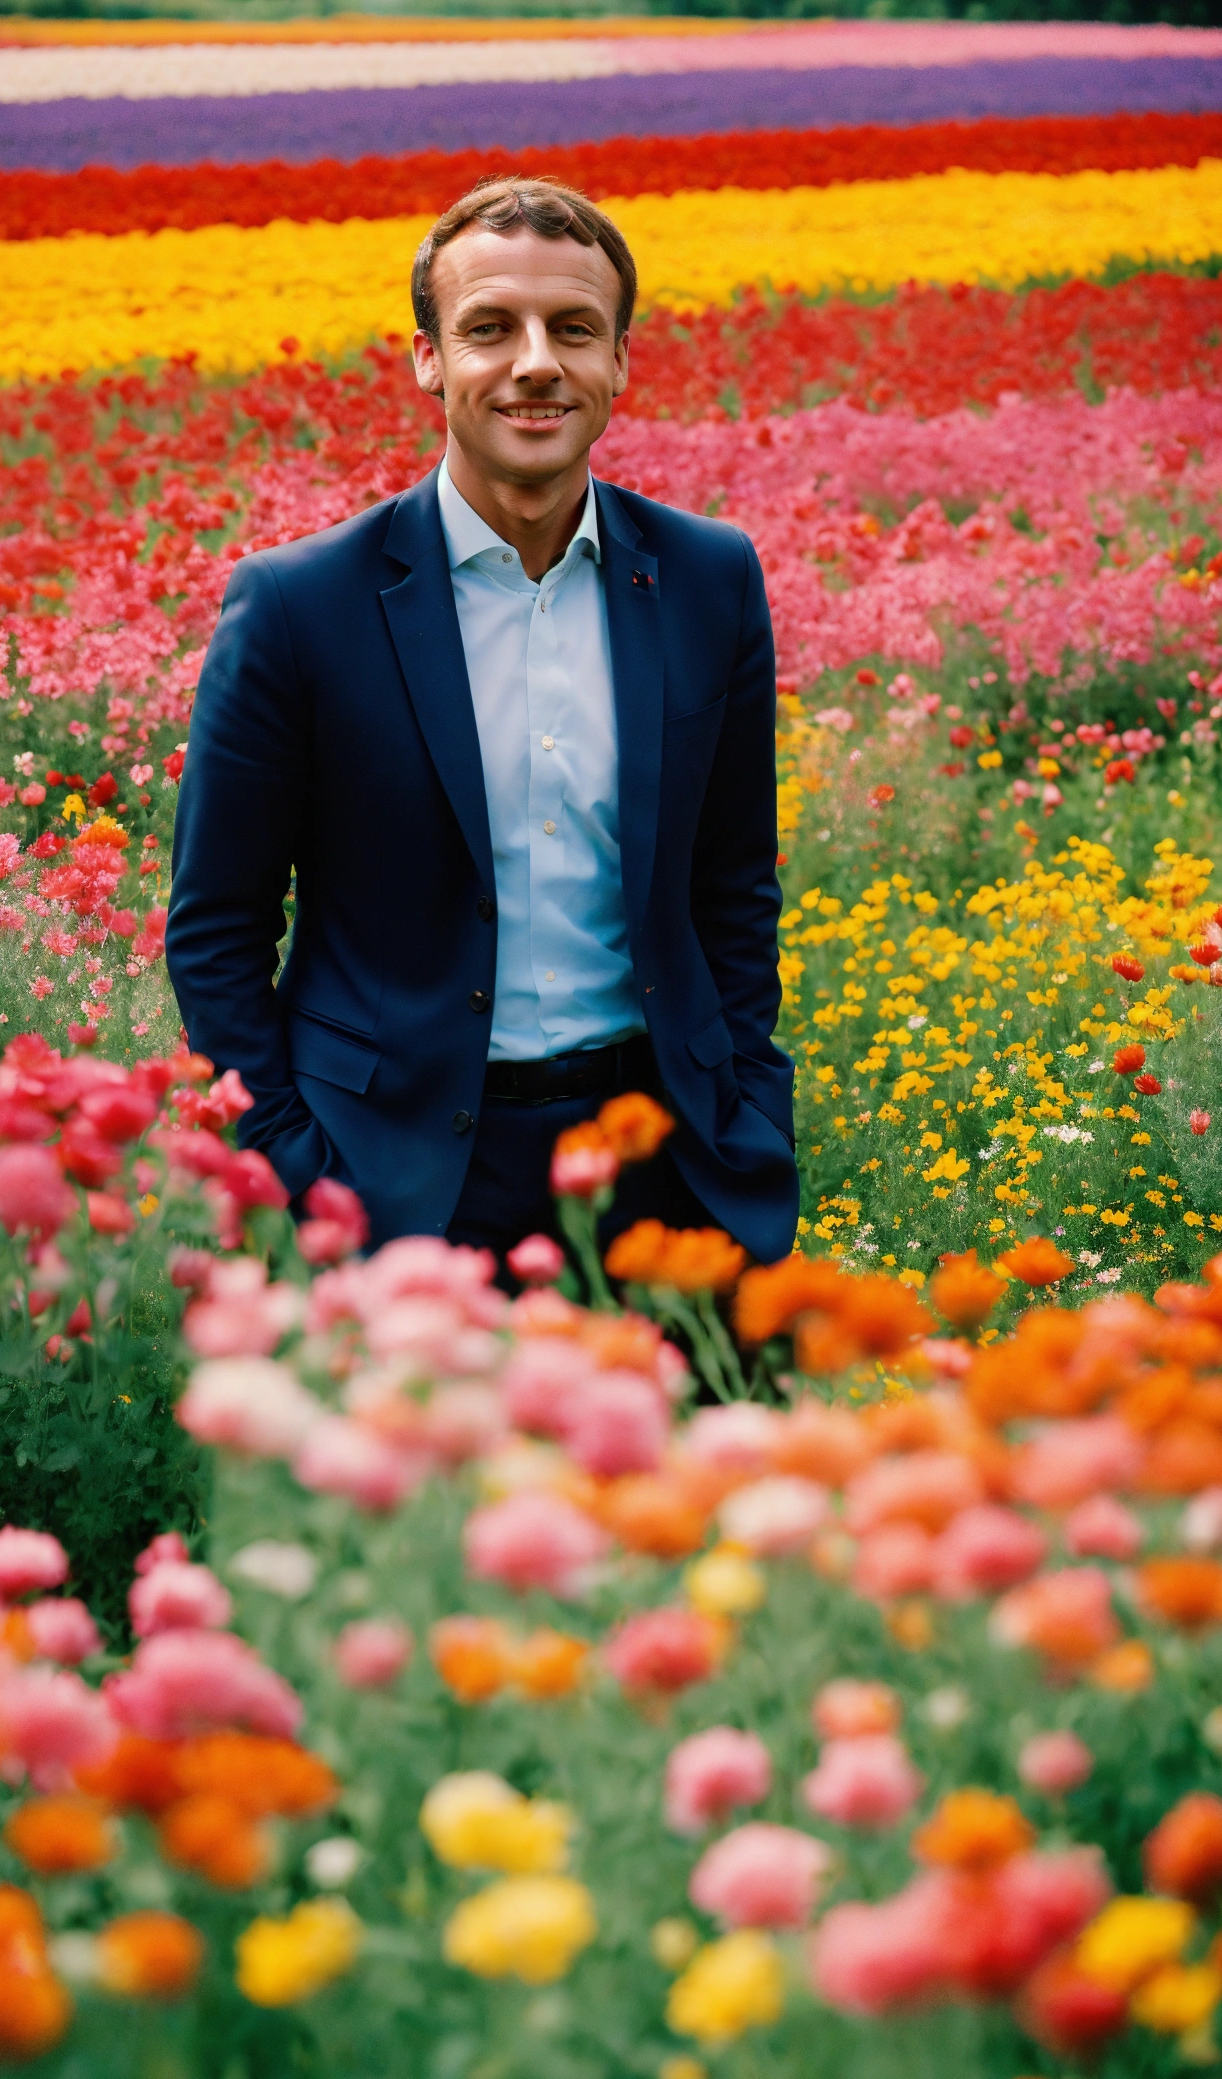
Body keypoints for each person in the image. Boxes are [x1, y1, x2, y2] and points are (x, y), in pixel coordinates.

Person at [166, 177, 797, 1269]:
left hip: (669, 1164)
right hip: (390, 1181)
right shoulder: (298, 606)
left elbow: (731, 886)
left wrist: (747, 1112)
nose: (536, 363)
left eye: (574, 330)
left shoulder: (709, 577)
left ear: (618, 364)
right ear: (427, 359)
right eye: (489, 329)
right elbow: (216, 929)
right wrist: (291, 1168)